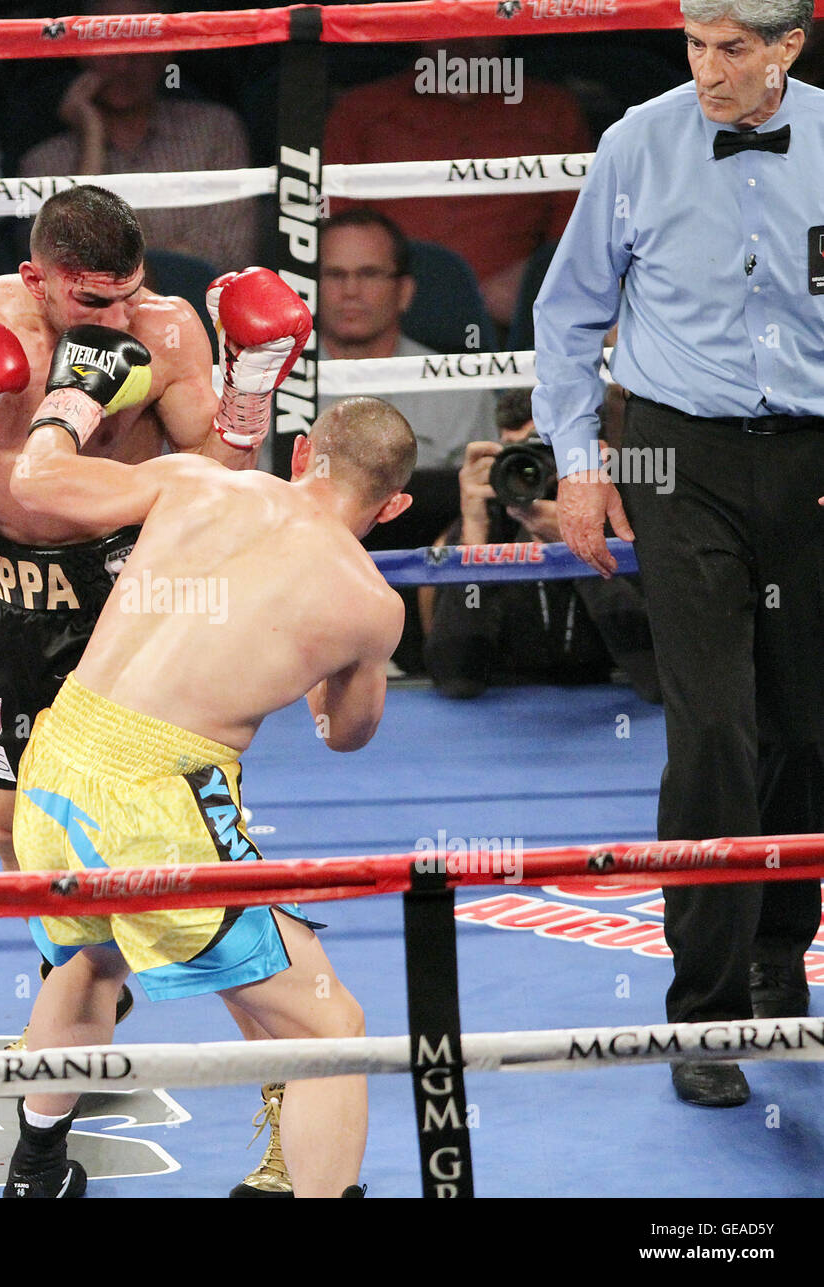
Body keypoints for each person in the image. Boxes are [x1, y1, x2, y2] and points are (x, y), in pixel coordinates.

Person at [0, 181, 310, 1189]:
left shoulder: (164, 327)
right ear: (36, 278)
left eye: (128, 296)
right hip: (12, 606)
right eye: (91, 304)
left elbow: (221, 470)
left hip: (135, 603)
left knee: (160, 838)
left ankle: (85, 996)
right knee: (11, 832)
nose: (115, 323)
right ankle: (72, 985)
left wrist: (248, 386)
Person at [0, 380, 413, 1199]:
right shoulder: (371, 603)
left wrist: (70, 399)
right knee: (333, 1025)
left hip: (56, 751)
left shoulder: (196, 478)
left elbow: (34, 480)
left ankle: (35, 1173)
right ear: (393, 506)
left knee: (90, 957)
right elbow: (346, 734)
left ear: (302, 454)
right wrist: (330, 664)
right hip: (156, 794)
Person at [532, 0, 822, 1108]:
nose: (708, 69)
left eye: (733, 49)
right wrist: (577, 460)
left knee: (803, 726)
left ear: (786, 48)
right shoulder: (636, 144)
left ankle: (773, 960)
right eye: (695, 45)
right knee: (710, 728)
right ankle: (700, 1013)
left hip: (811, 455)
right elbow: (567, 317)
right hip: (677, 457)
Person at [323, 38, 594, 327]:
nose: (462, 37)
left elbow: (578, 228)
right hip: (383, 320)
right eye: (448, 16)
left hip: (521, 321)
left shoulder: (554, 110)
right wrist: (387, 288)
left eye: (474, 15)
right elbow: (334, 226)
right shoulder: (360, 110)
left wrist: (535, 280)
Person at [423, 388, 660, 702]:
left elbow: (656, 679)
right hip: (503, 721)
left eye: (542, 448)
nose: (529, 465)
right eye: (513, 451)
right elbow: (456, 678)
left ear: (593, 452)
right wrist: (475, 541)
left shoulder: (630, 524)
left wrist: (579, 548)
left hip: (608, 712)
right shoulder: (487, 521)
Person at [18, 0, 257, 273]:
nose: (123, 64)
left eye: (139, 45)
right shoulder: (44, 161)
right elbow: (62, 266)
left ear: (166, 53)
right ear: (80, 51)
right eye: (108, 45)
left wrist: (110, 264)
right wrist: (92, 140)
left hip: (196, 308)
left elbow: (229, 254)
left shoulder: (215, 130)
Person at [317, 209, 496, 468]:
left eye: (369, 274)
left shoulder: (460, 390)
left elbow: (486, 500)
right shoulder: (273, 387)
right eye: (335, 274)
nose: (351, 291)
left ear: (404, 291)